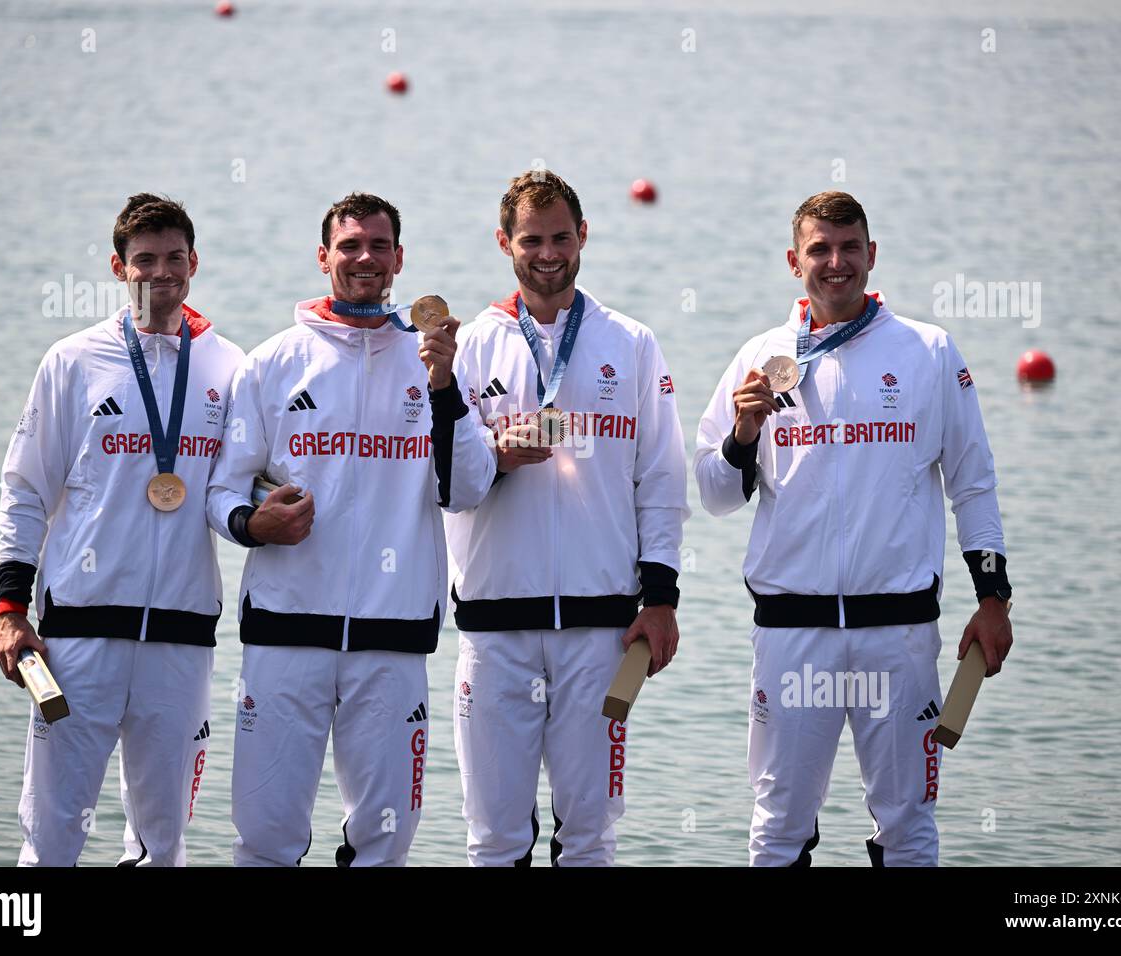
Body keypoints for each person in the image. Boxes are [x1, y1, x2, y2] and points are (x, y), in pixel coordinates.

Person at [694, 191, 1014, 866]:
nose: (835, 263)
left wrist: (993, 599)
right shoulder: (760, 356)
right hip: (792, 632)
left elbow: (974, 483)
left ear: (872, 254)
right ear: (794, 261)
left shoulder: (928, 351)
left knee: (908, 827)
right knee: (778, 829)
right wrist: (743, 434)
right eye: (819, 249)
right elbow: (716, 495)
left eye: (849, 248)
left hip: (897, 634)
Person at [206, 192, 495, 866]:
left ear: (399, 258)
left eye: (378, 246)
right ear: (323, 257)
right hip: (285, 632)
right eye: (350, 246)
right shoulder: (273, 362)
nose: (365, 258)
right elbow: (221, 491)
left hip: (392, 640)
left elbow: (467, 490)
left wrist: (445, 387)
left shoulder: (434, 360)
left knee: (384, 844)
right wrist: (253, 523)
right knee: (265, 840)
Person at [444, 170, 689, 866]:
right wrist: (496, 456)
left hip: (601, 631)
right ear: (504, 243)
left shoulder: (631, 342)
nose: (547, 254)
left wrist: (661, 599)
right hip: (495, 631)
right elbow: (449, 487)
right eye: (531, 240)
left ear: (583, 235)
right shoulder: (469, 347)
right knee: (494, 840)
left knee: (589, 839)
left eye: (560, 238)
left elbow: (662, 480)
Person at [0, 193, 245, 866]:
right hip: (79, 637)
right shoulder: (73, 360)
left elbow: (244, 486)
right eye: (144, 260)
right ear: (117, 267)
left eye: (173, 258)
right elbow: (25, 490)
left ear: (194, 263)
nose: (160, 273)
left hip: (181, 640)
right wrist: (11, 611)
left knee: (162, 844)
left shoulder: (229, 366)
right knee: (52, 837)